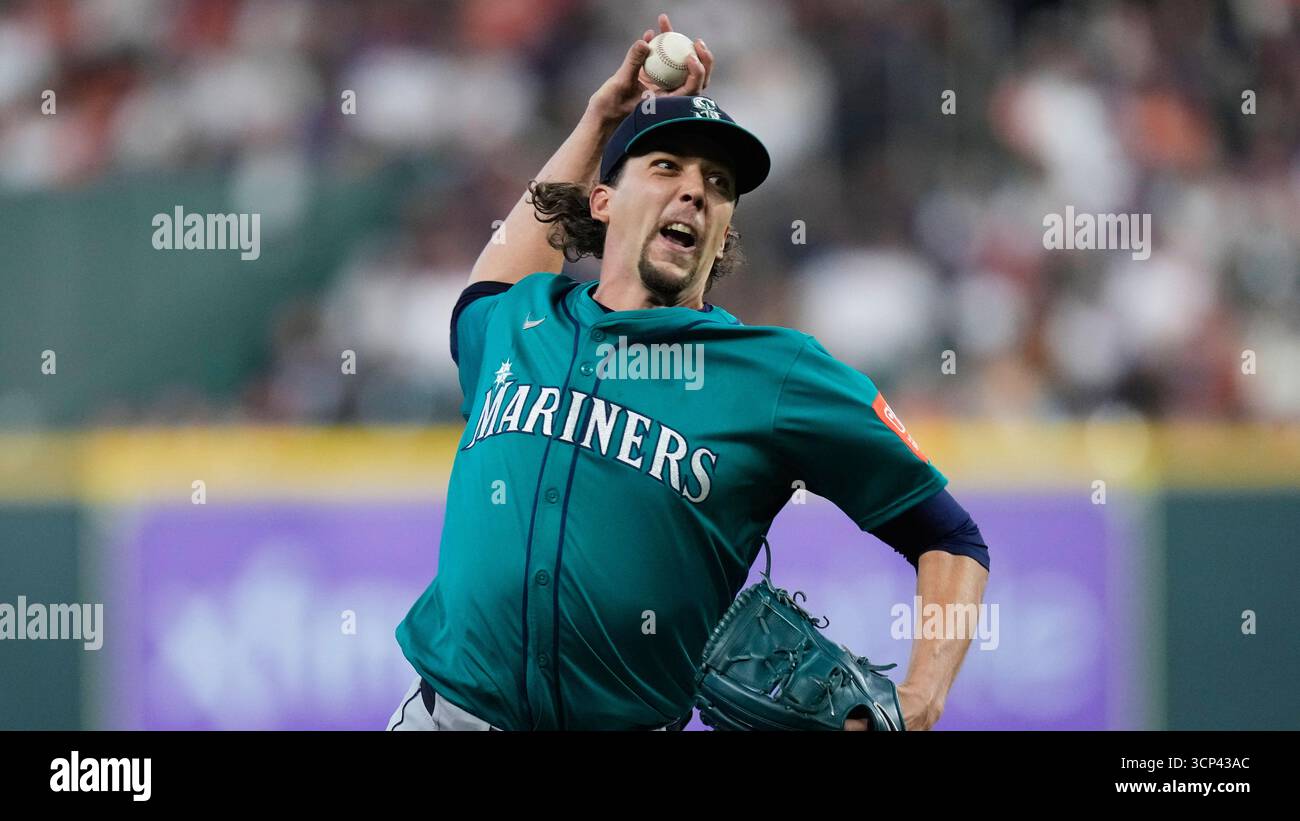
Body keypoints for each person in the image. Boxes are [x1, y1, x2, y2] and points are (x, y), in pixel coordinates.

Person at [388, 14, 989, 732]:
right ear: (603, 201)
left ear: (725, 229)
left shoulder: (772, 373)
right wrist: (598, 118)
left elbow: (951, 538)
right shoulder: (521, 323)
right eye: (666, 167)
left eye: (718, 183)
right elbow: (488, 283)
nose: (695, 192)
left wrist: (918, 703)